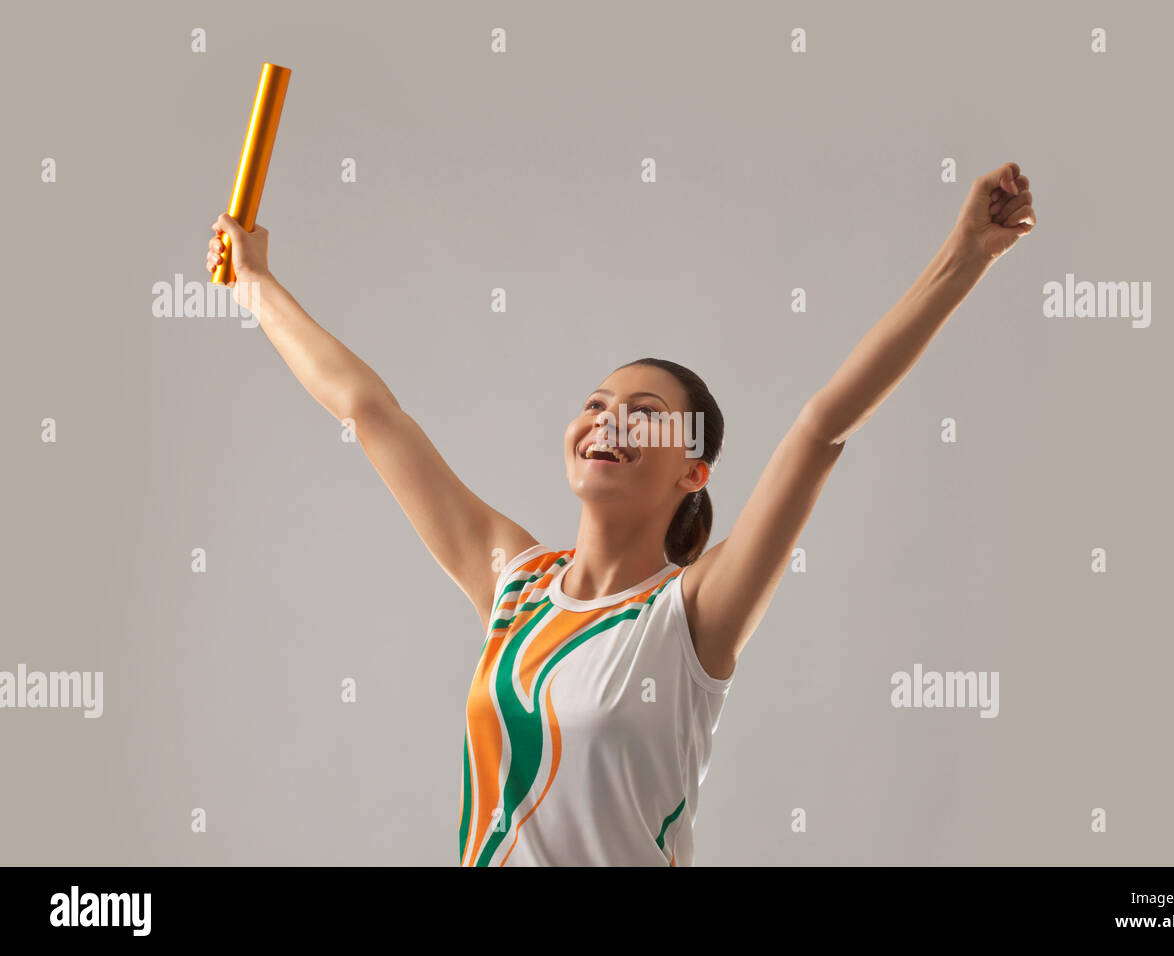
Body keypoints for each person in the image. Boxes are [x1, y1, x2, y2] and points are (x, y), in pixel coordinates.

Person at [204, 162, 1036, 866]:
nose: (609, 422)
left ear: (693, 471)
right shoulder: (513, 583)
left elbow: (821, 428)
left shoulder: (691, 616)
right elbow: (372, 414)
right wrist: (256, 286)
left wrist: (962, 259)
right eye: (597, 405)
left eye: (643, 413)